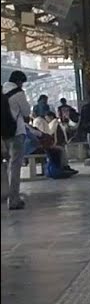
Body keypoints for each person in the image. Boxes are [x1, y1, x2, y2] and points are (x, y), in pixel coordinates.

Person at [3, 70, 31, 210]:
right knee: (15, 166)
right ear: (19, 81)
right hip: (16, 132)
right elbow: (26, 112)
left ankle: (7, 194)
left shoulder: (2, 90)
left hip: (3, 135)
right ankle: (13, 199)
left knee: (8, 165)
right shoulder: (18, 93)